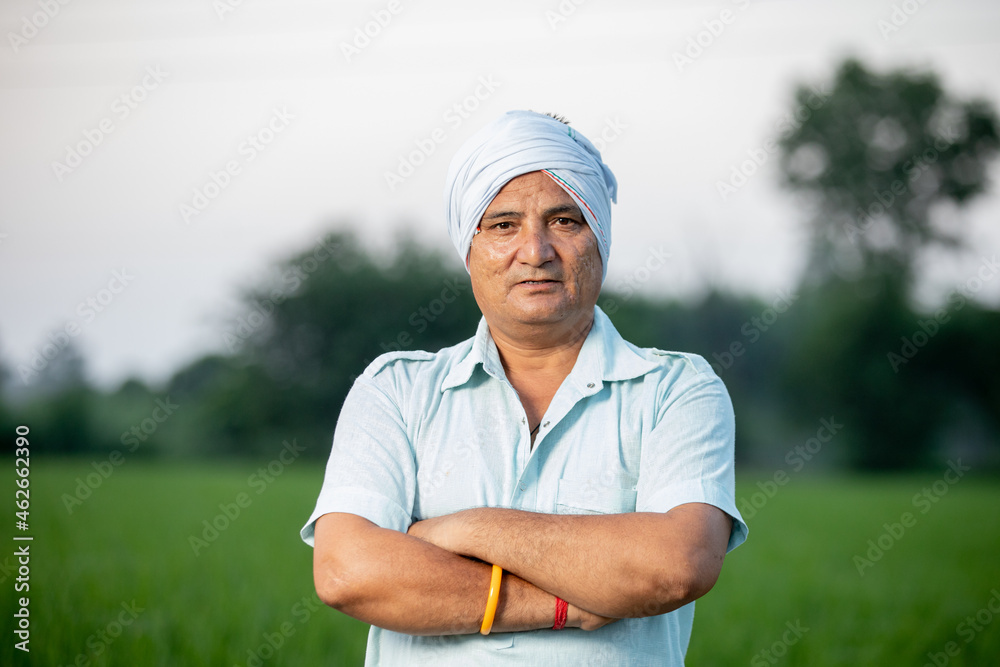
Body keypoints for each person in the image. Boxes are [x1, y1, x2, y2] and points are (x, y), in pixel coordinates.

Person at [300, 110, 748, 665]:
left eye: (564, 220)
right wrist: (567, 603)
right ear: (469, 250)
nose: (535, 252)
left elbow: (674, 567)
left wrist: (466, 528)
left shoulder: (675, 390)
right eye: (503, 225)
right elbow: (348, 573)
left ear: (600, 239)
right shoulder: (395, 390)